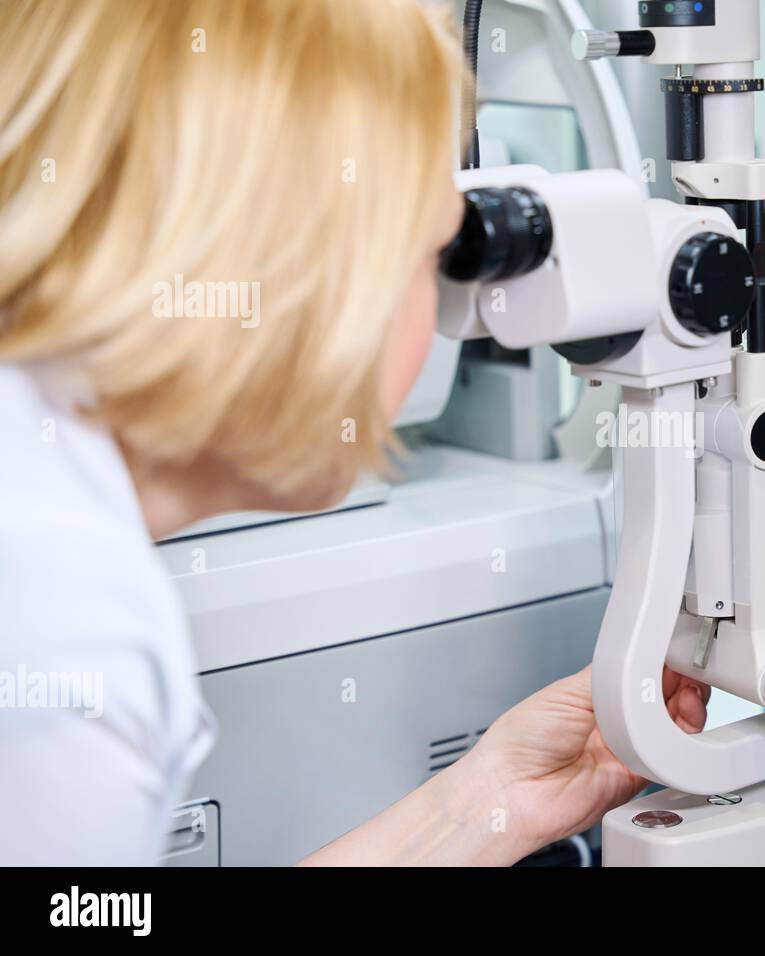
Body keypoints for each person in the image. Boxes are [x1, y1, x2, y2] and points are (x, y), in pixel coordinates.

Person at [0, 0, 707, 866]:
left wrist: (483, 807)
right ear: (299, 261)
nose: (448, 315)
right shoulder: (67, 631)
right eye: (432, 255)